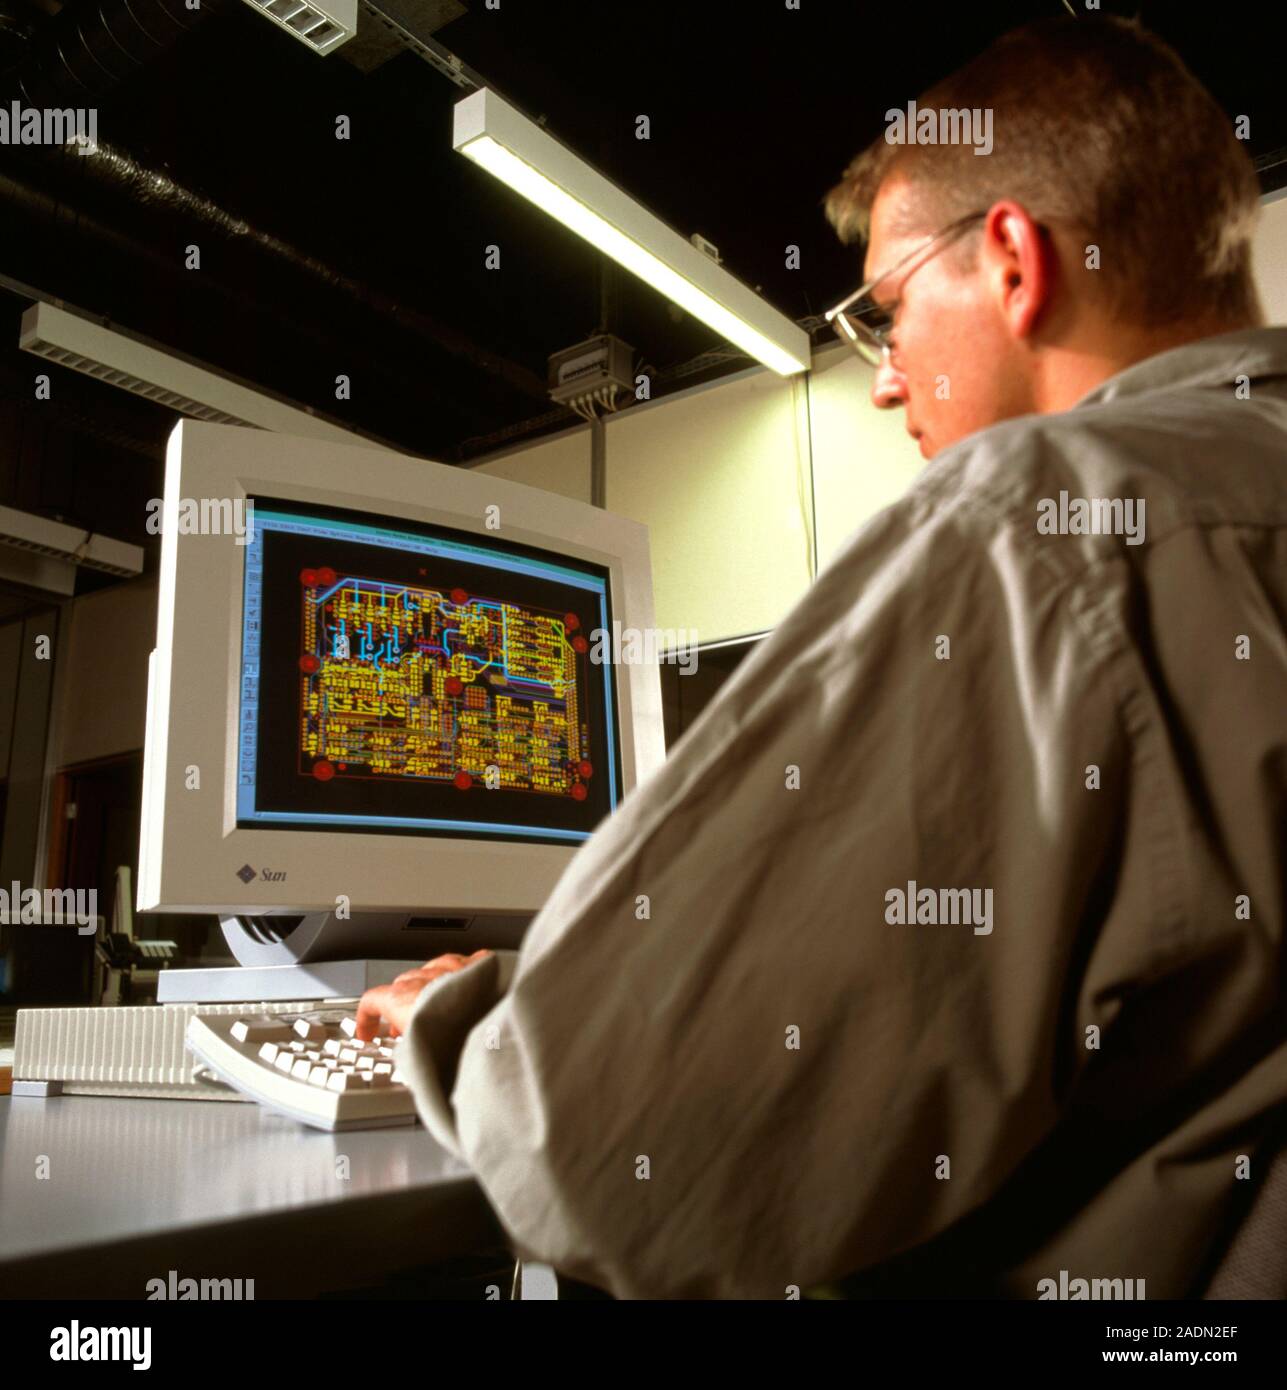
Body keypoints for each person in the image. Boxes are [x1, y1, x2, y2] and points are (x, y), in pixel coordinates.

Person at [357, 15, 1287, 1299]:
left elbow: (608, 1146)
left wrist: (461, 1033)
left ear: (1014, 261)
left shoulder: (1041, 524)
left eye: (886, 311)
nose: (886, 383)